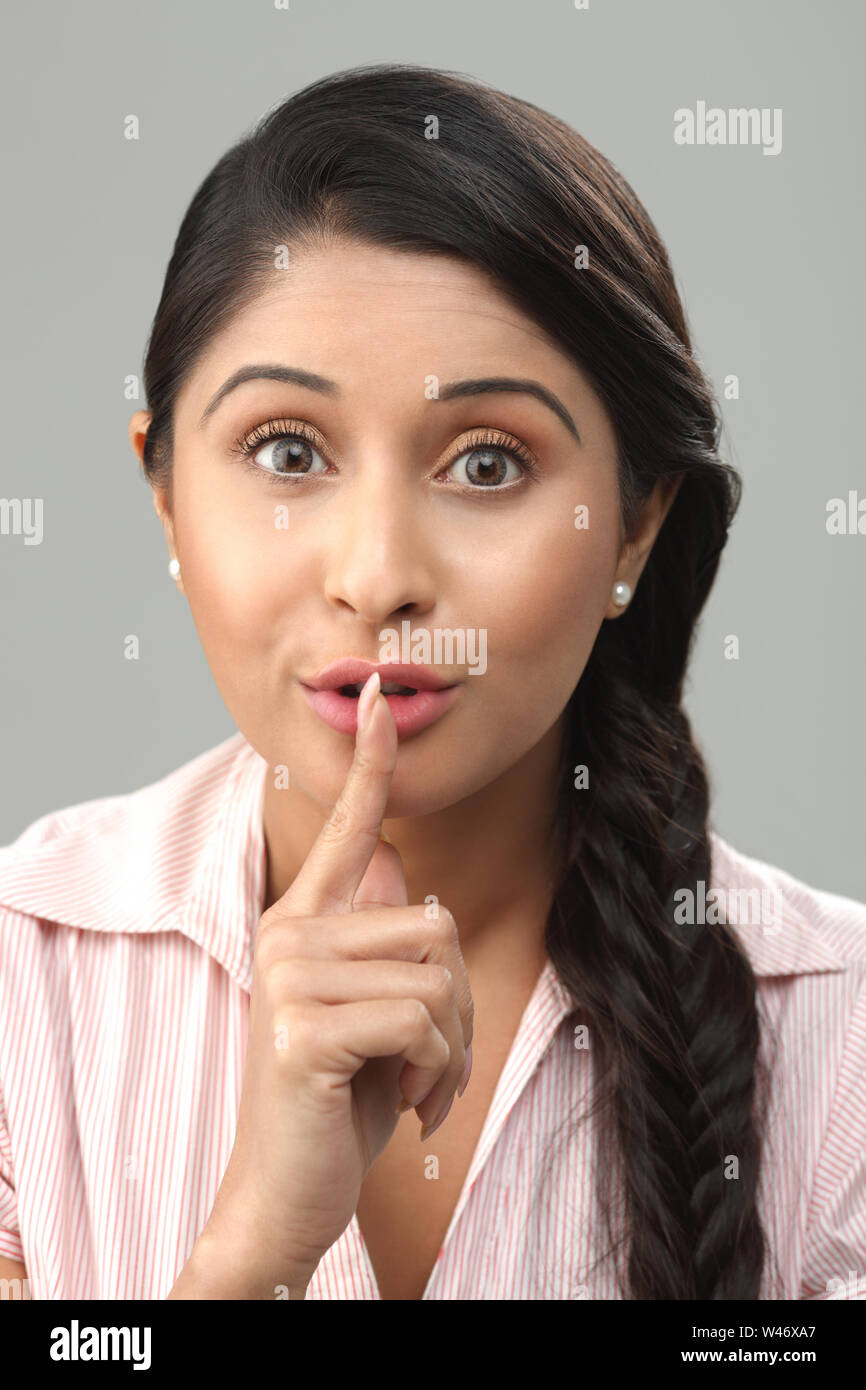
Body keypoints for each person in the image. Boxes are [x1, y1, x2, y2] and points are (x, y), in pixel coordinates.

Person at [1, 62, 864, 1302]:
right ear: (168, 498)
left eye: (486, 463)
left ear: (632, 526)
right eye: (286, 451)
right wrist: (246, 1253)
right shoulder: (22, 977)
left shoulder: (839, 1040)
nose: (377, 577)